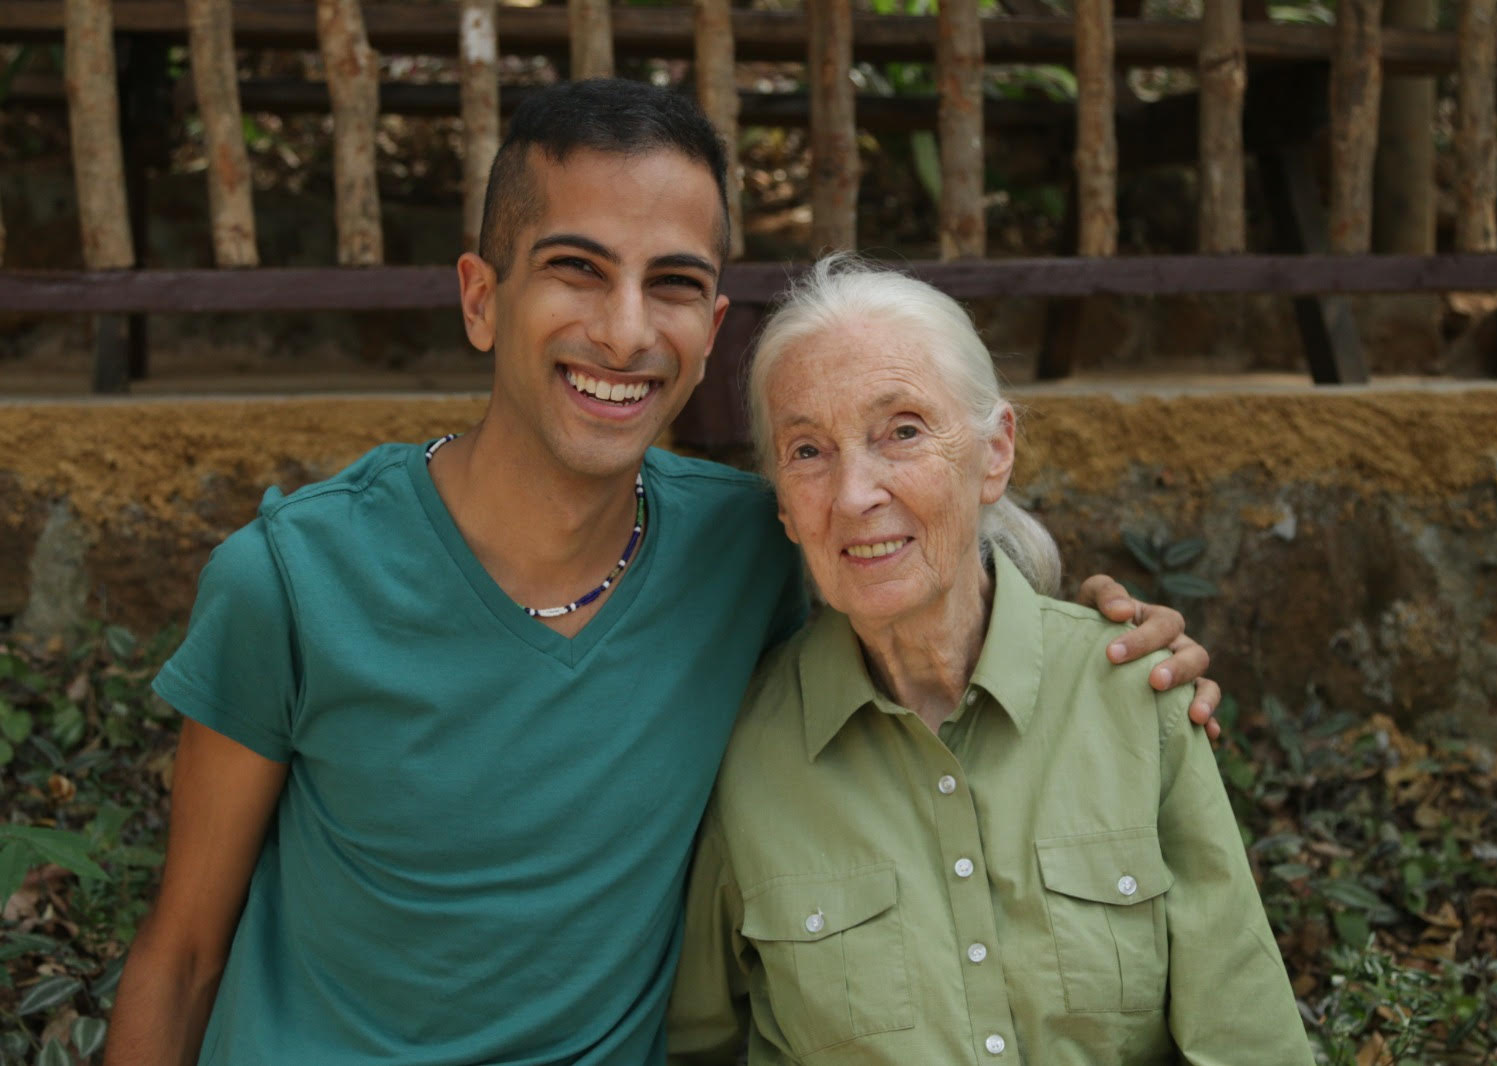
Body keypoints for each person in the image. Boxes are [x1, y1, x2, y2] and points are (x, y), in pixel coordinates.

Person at [105, 81, 1220, 1066]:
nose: (625, 330)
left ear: (713, 327)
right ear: (481, 297)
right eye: (577, 270)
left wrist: (1103, 647)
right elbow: (183, 955)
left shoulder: (754, 549)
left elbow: (935, 580)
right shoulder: (292, 583)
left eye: (673, 283)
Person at [666, 255, 1309, 1065]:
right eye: (807, 451)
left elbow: (1247, 1042)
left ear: (995, 452)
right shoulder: (741, 749)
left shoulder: (1134, 695)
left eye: (902, 431)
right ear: (785, 508)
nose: (854, 493)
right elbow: (696, 1048)